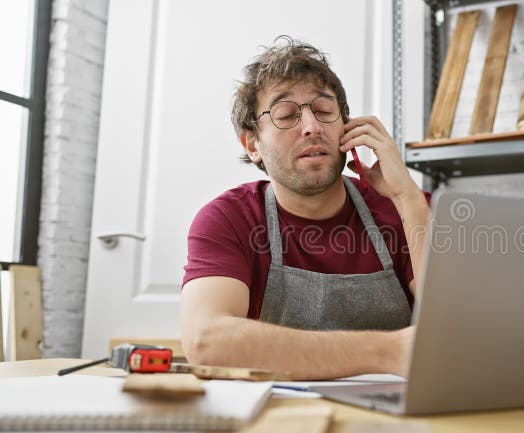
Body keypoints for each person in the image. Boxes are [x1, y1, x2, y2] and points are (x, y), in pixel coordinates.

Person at [180, 37, 430, 380]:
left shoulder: (405, 209)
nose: (312, 126)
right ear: (252, 144)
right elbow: (206, 341)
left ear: (348, 127)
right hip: (279, 418)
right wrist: (388, 352)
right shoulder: (229, 219)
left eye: (325, 111)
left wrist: (410, 198)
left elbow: (460, 331)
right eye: (286, 115)